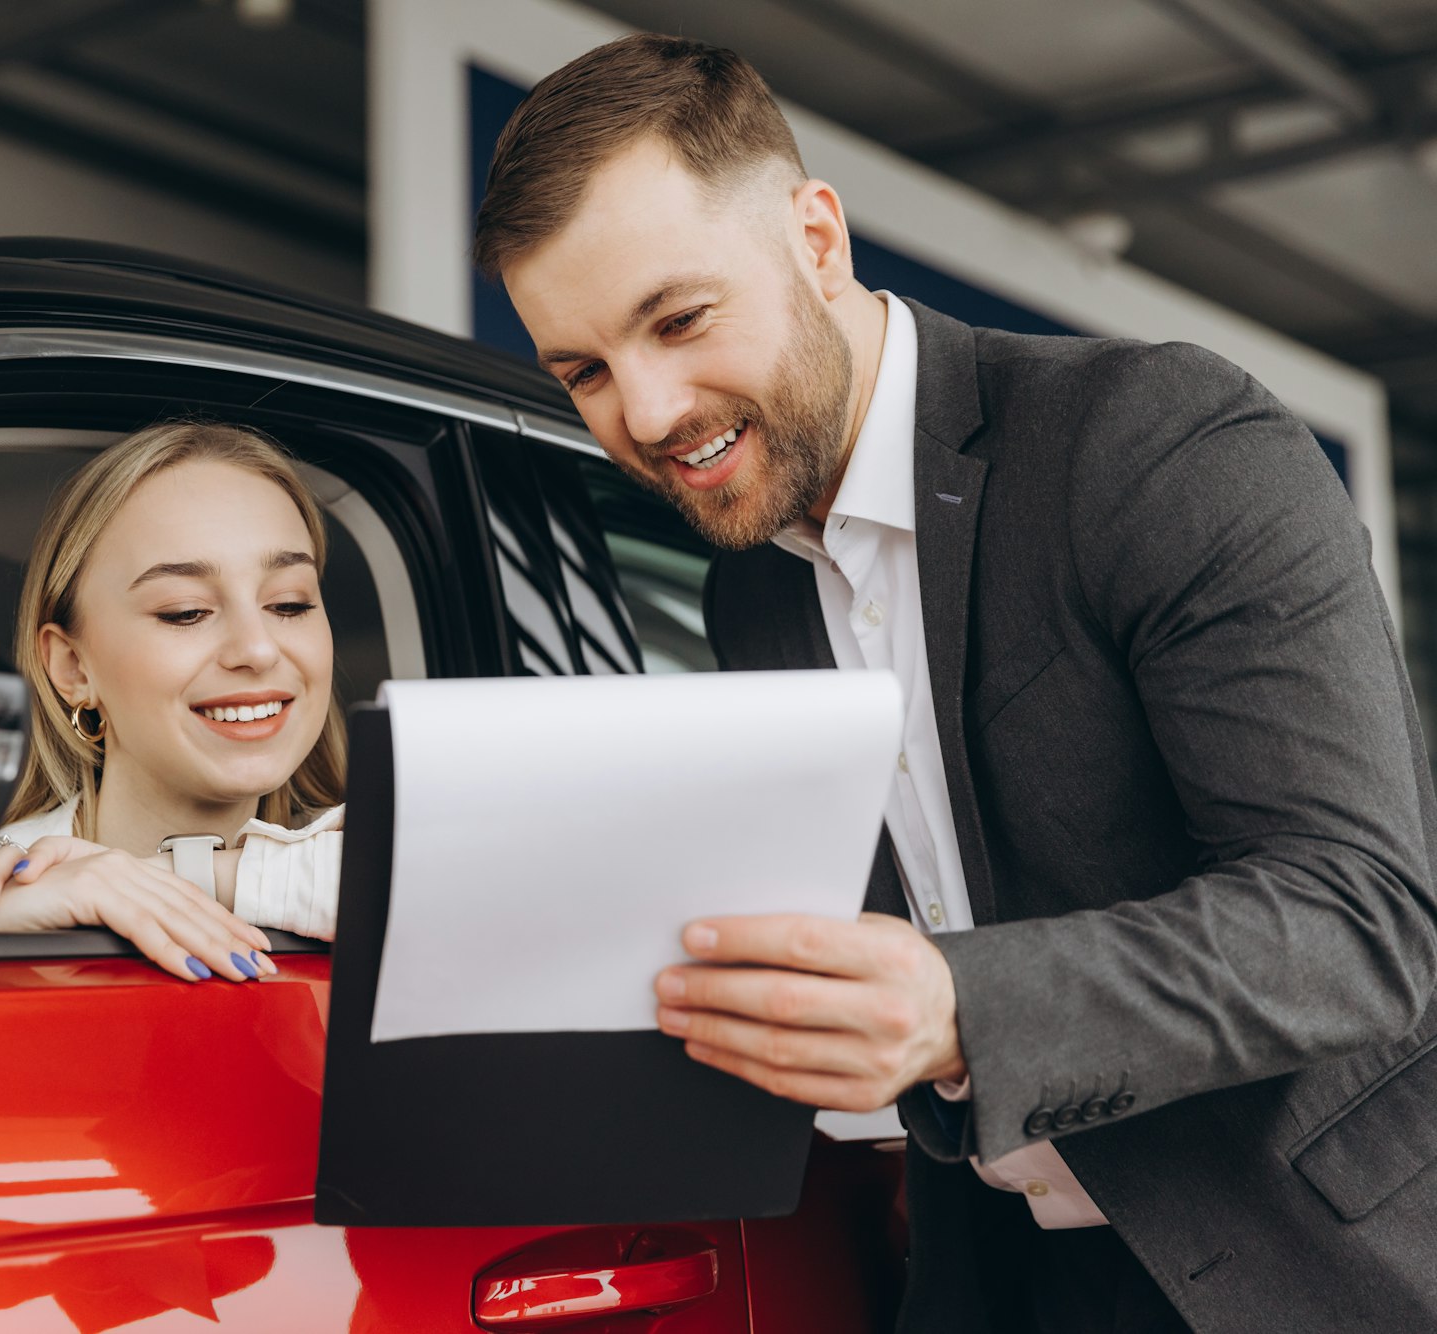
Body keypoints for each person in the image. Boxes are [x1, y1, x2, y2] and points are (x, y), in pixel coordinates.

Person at [473, 33, 1437, 1334]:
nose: (644, 412)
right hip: (1006, 1272)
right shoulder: (748, 584)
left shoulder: (1156, 441)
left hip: (1305, 1261)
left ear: (818, 241)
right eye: (583, 370)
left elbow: (1358, 921)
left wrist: (957, 1006)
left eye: (680, 319)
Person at [0, 420, 347, 981]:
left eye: (289, 603)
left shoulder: (381, 853)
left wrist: (176, 875)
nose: (256, 649)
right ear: (73, 668)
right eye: (185, 612)